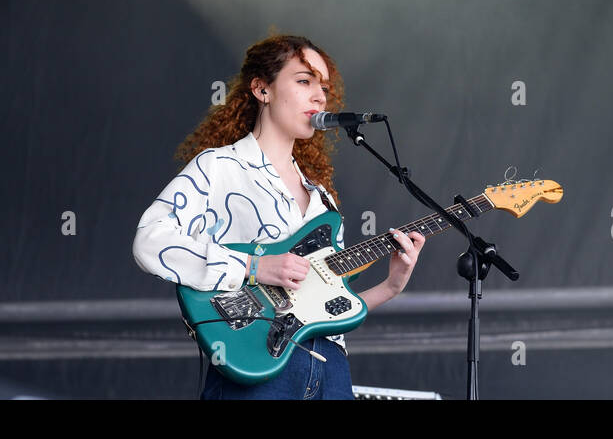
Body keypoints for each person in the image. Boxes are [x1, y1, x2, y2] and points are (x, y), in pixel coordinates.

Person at [133, 33, 426, 399]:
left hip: (331, 372)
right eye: (304, 81)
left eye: (324, 87)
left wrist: (391, 286)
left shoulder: (322, 201)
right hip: (258, 369)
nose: (320, 96)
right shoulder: (220, 167)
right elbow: (150, 240)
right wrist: (254, 266)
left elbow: (325, 310)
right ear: (262, 89)